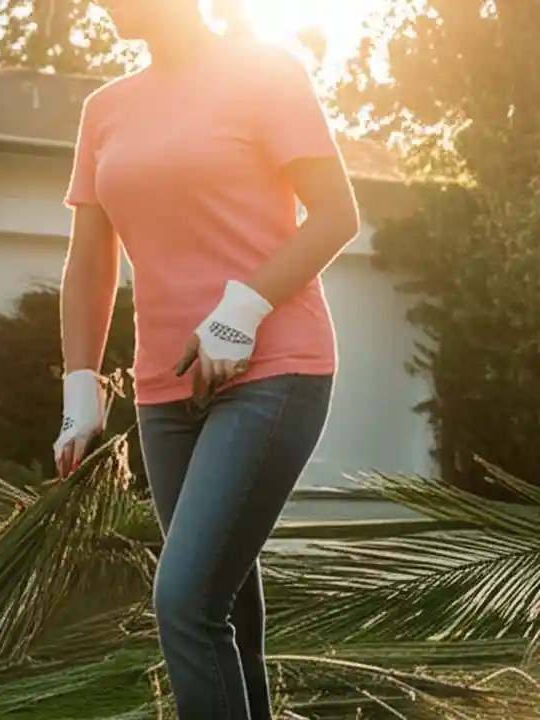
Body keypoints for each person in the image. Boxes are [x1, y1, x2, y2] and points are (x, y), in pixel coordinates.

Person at [51, 1, 360, 718]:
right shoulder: (105, 109)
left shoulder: (265, 74)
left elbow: (338, 214)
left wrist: (239, 312)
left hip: (276, 369)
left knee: (185, 601)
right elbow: (90, 261)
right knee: (225, 617)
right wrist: (80, 390)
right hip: (166, 391)